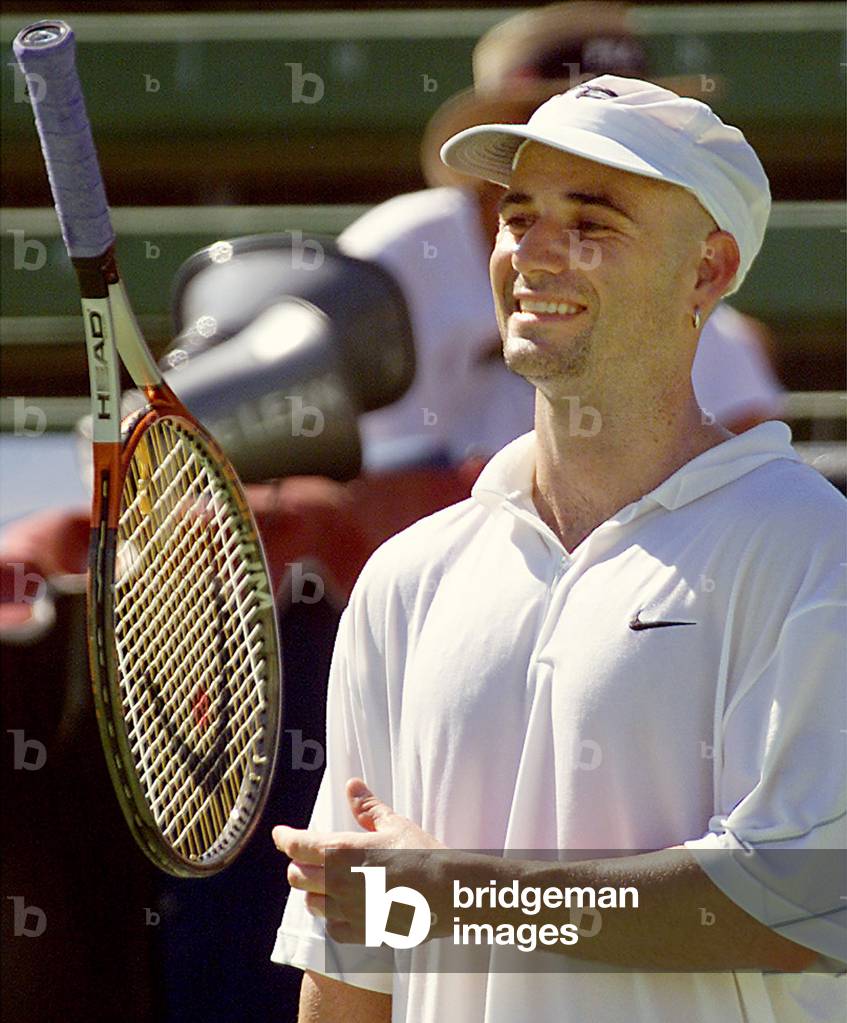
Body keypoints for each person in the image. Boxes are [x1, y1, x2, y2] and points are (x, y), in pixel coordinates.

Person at [272, 76, 845, 1022]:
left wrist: (454, 896)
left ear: (705, 270)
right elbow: (350, 967)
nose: (531, 252)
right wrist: (429, 897)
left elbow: (791, 907)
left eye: (592, 220)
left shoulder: (806, 545)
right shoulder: (408, 578)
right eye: (516, 215)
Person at [340, 3, 783, 469]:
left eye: (624, 134)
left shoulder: (670, 277)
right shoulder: (394, 253)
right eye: (550, 122)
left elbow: (746, 433)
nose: (533, 256)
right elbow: (359, 481)